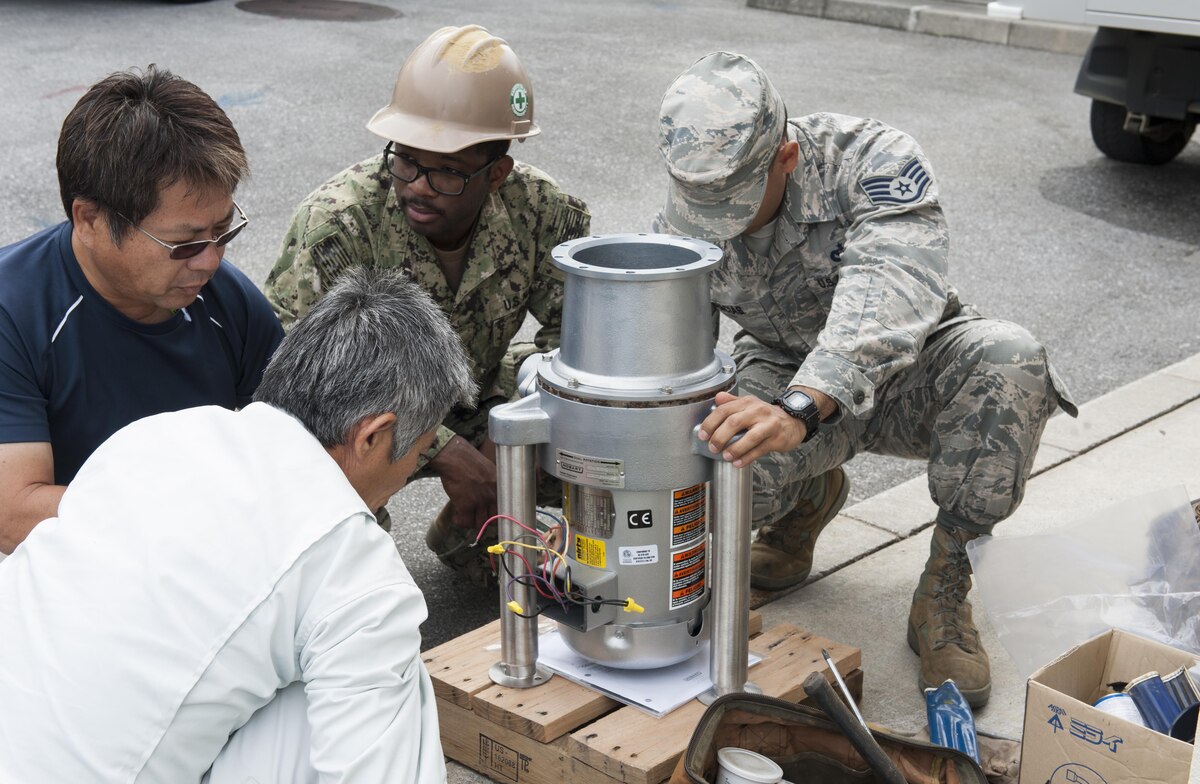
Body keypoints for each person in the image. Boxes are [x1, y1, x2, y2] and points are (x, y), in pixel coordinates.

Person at [655, 51, 1077, 708]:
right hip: (783, 375)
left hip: (912, 372)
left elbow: (890, 285)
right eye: (701, 206)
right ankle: (805, 498)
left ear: (786, 157)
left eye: (732, 203)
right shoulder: (688, 212)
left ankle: (944, 591)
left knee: (1009, 360)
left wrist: (802, 407)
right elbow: (673, 358)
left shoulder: (872, 159)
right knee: (708, 446)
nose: (717, 224)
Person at [0, 268, 477, 784]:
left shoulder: (157, 435)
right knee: (382, 675)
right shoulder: (352, 563)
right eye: (418, 452)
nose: (408, 474)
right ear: (372, 436)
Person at [266, 24, 590, 586]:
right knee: (324, 505)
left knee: (596, 436)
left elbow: (578, 336)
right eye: (406, 160)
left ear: (496, 174)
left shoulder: (543, 211)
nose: (416, 185)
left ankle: (473, 530)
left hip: (478, 393)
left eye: (445, 171)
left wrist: (514, 426)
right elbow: (302, 387)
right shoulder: (339, 225)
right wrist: (446, 451)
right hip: (369, 418)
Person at [0, 65, 283, 554]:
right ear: (89, 219)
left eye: (223, 232)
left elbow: (302, 443)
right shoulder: (14, 312)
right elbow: (15, 515)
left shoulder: (229, 303)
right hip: (61, 570)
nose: (210, 261)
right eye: (183, 243)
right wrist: (200, 503)